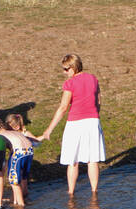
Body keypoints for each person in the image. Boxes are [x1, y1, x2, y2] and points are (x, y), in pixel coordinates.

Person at [41, 53, 105, 196]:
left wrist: (49, 130)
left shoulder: (70, 84)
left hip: (75, 123)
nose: (64, 72)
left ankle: (71, 192)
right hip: (93, 122)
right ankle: (94, 192)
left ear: (73, 67)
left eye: (66, 69)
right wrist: (95, 115)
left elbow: (63, 108)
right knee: (92, 160)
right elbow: (98, 101)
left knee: (72, 160)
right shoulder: (93, 79)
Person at [0, 113, 42, 206]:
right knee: (22, 176)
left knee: (15, 180)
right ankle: (18, 197)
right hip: (27, 153)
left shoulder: (22, 132)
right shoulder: (19, 133)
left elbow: (37, 142)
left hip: (19, 154)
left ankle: (19, 204)